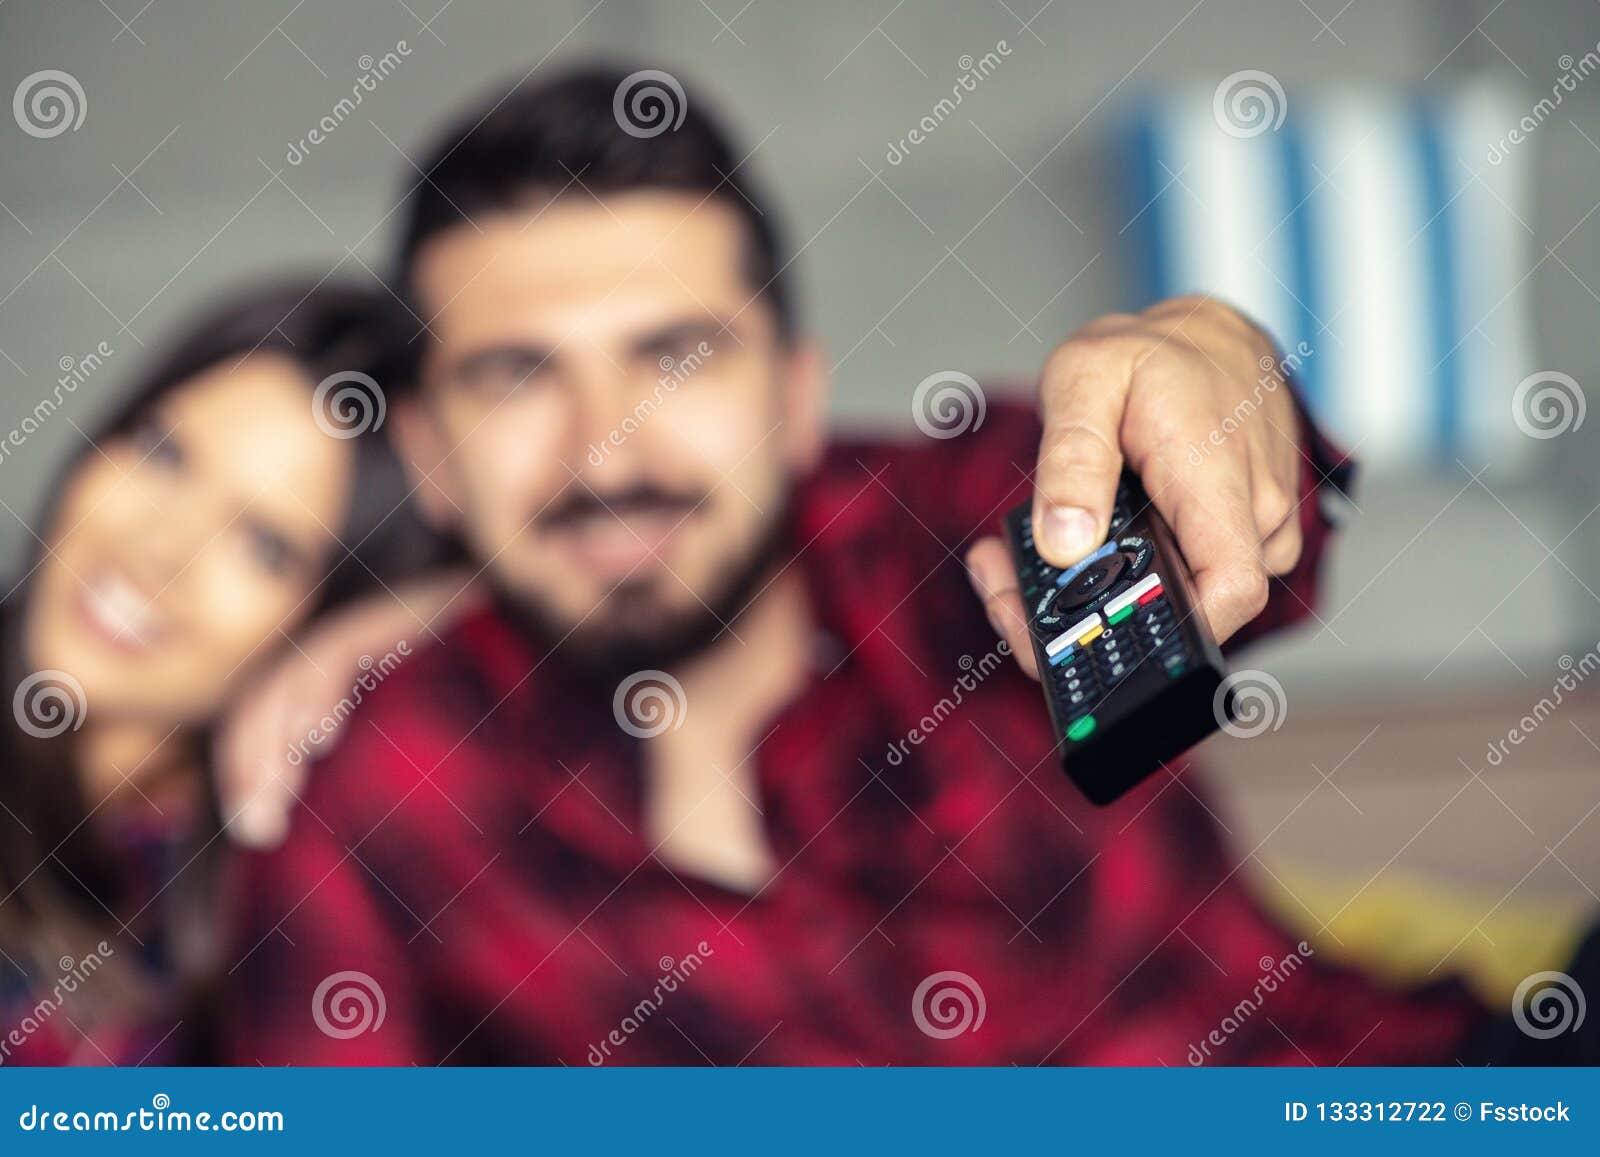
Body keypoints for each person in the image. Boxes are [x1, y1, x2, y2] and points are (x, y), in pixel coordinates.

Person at [224, 66, 1532, 1065]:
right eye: (518, 376)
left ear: (795, 400)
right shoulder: (367, 782)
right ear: (434, 457)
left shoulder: (952, 526)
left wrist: (1212, 362)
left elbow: (1220, 539)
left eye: (674, 355)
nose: (604, 447)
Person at [0, 281, 464, 1065]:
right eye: (163, 452)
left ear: (333, 616)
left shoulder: (283, 905)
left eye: (264, 544)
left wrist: (434, 609)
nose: (160, 548)